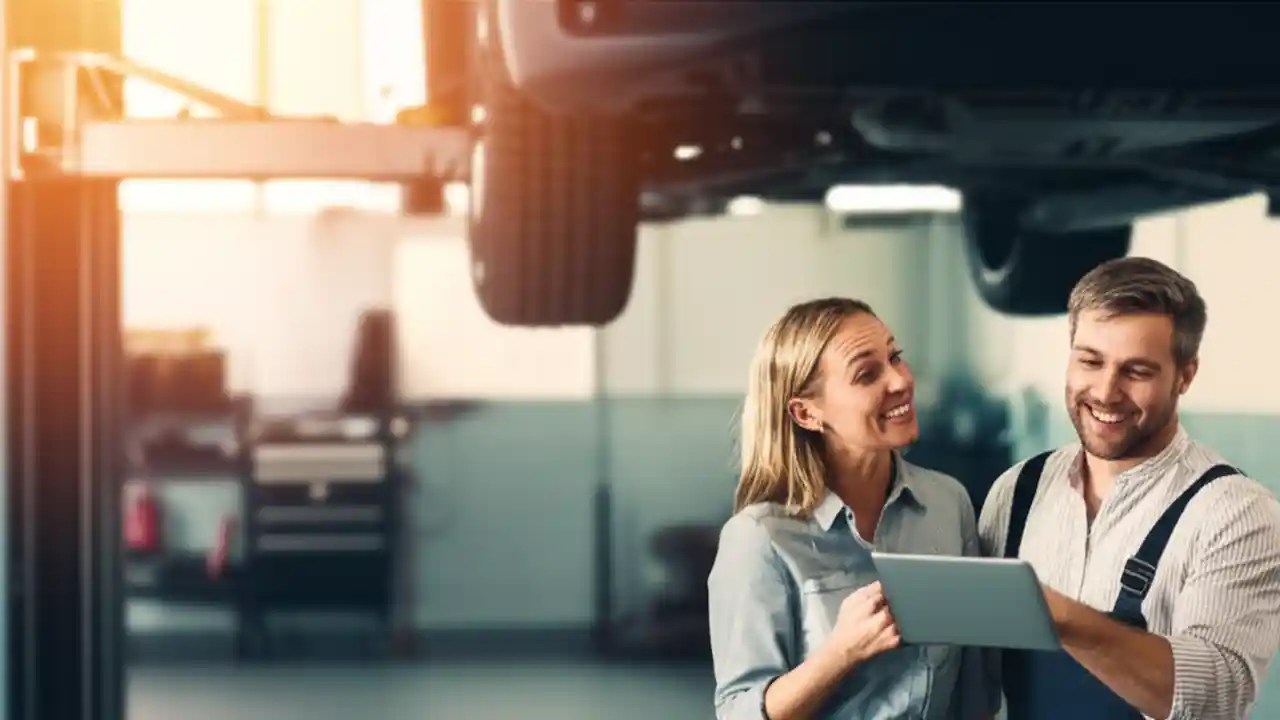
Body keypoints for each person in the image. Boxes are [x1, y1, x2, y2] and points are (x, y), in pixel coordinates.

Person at [977, 256, 1280, 720]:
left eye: (1136, 371)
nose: (1105, 391)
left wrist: (1061, 617)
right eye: (1090, 362)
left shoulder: (1235, 513)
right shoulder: (1016, 492)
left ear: (1185, 374)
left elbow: (1215, 696)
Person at [708, 297, 995, 720]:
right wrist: (840, 654)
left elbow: (973, 695)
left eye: (895, 357)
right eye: (867, 373)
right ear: (806, 413)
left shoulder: (947, 503)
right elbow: (739, 712)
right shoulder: (759, 538)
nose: (899, 381)